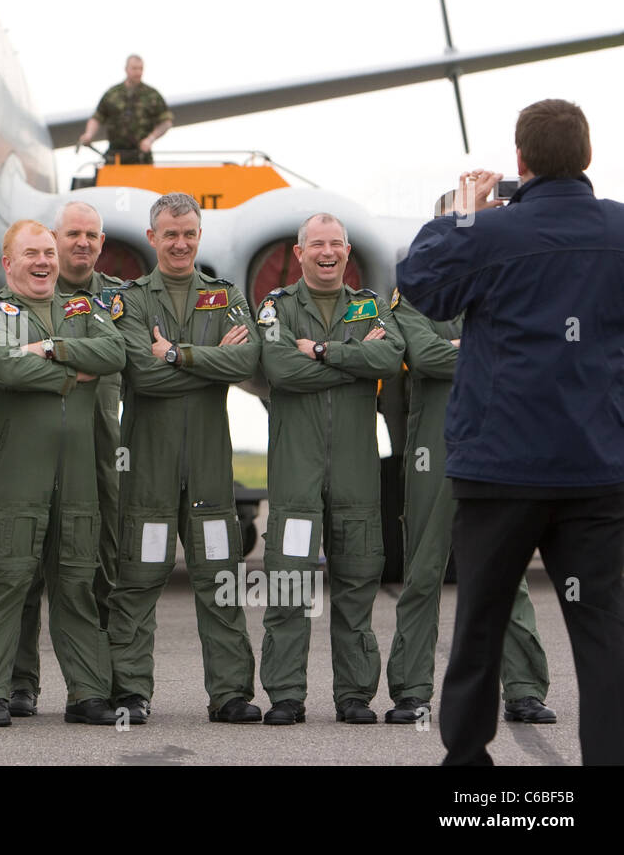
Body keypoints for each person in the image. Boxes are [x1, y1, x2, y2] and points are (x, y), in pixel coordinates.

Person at [397, 98, 624, 765]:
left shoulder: (491, 234)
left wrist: (465, 213)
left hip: (501, 469)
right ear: (586, 156)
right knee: (602, 628)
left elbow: (421, 283)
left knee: (480, 622)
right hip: (596, 467)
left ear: (520, 162)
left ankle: (468, 762)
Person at [105, 193, 263, 725]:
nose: (180, 243)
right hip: (147, 472)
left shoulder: (224, 296)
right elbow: (140, 376)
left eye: (189, 233)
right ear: (152, 238)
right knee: (139, 581)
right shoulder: (128, 301)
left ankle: (230, 694)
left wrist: (173, 352)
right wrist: (207, 364)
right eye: (170, 234)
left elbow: (245, 359)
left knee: (220, 578)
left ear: (199, 236)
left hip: (210, 473)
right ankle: (131, 691)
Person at [0, 220, 126, 726]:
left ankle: (86, 692)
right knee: (11, 580)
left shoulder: (82, 308)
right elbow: (8, 368)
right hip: (16, 473)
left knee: (77, 582)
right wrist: (73, 375)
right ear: (8, 262)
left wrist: (52, 348)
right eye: (30, 254)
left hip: (77, 474)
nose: (42, 262)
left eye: (48, 253)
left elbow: (114, 353)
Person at [257, 212, 404, 725]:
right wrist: (350, 362)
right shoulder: (275, 307)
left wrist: (319, 352)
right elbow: (278, 368)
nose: (327, 252)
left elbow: (389, 360)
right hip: (296, 477)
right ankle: (286, 696)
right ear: (298, 253)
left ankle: (354, 697)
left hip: (356, 476)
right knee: (290, 583)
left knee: (357, 585)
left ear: (347, 252)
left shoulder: (370, 306)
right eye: (316, 244)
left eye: (336, 244)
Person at [384, 292, 555, 725]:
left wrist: (465, 351)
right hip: (434, 450)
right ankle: (411, 691)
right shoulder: (414, 300)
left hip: (496, 446)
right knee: (423, 571)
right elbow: (424, 357)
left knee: (507, 574)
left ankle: (524, 690)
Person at [77, 55, 173, 165]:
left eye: (140, 69)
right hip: (115, 157)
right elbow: (97, 118)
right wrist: (89, 134)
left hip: (141, 157)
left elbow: (166, 122)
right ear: (126, 69)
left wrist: (150, 139)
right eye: (134, 68)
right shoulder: (112, 94)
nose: (138, 72)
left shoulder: (152, 95)